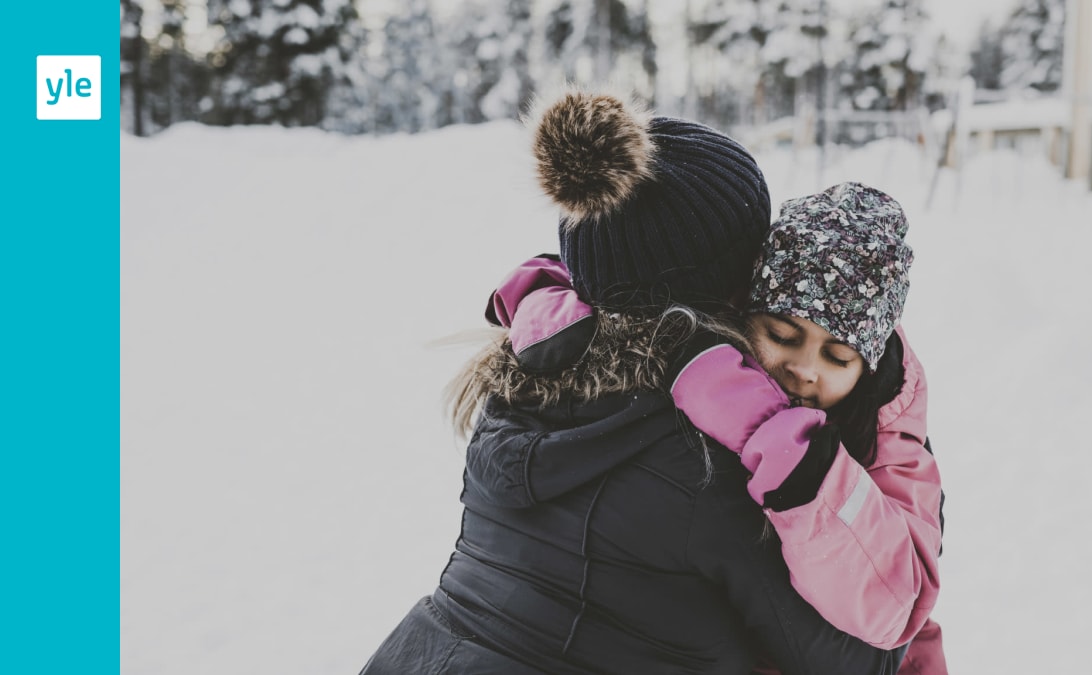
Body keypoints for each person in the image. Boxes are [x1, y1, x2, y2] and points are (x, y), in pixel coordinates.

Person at [358, 90, 904, 674]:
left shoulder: (515, 388)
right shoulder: (709, 457)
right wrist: (898, 451)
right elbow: (859, 661)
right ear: (728, 288)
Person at [490, 183, 949, 675]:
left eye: (839, 357)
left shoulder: (892, 441)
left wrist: (800, 462)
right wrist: (552, 301)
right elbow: (625, 287)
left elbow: (894, 610)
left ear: (868, 370)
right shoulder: (710, 364)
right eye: (780, 335)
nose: (804, 369)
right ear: (742, 313)